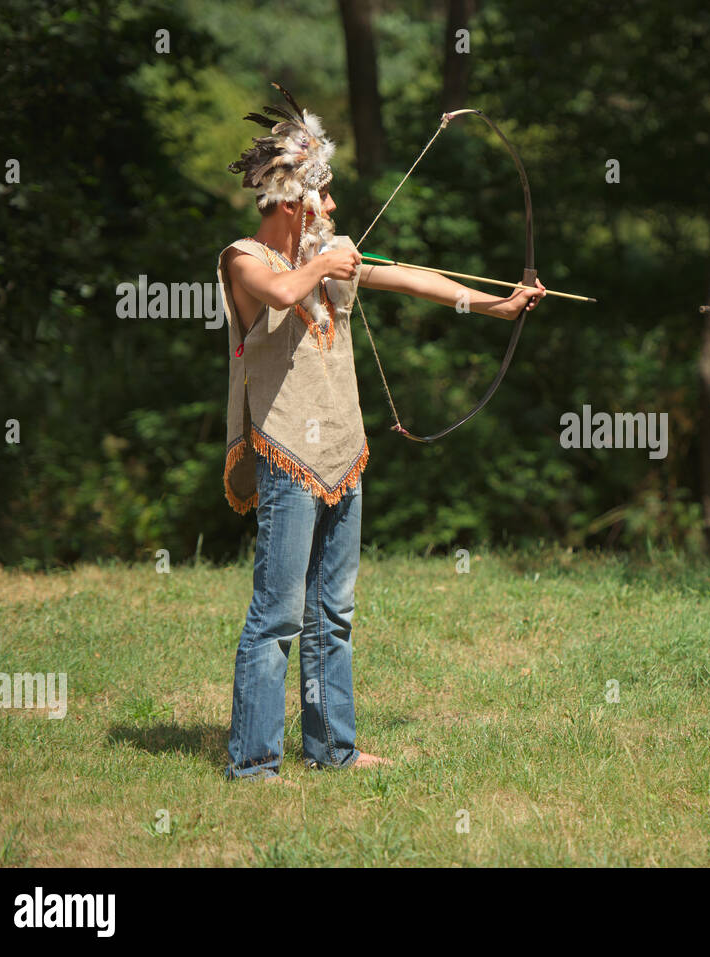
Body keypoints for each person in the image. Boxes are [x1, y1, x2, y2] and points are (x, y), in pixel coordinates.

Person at [217, 83, 544, 781]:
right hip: (286, 455)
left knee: (332, 612)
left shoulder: (330, 260)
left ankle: (333, 749)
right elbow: (277, 294)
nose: (332, 208)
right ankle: (252, 763)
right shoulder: (243, 257)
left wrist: (495, 305)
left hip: (343, 454)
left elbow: (412, 277)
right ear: (289, 197)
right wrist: (325, 262)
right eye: (323, 195)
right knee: (278, 614)